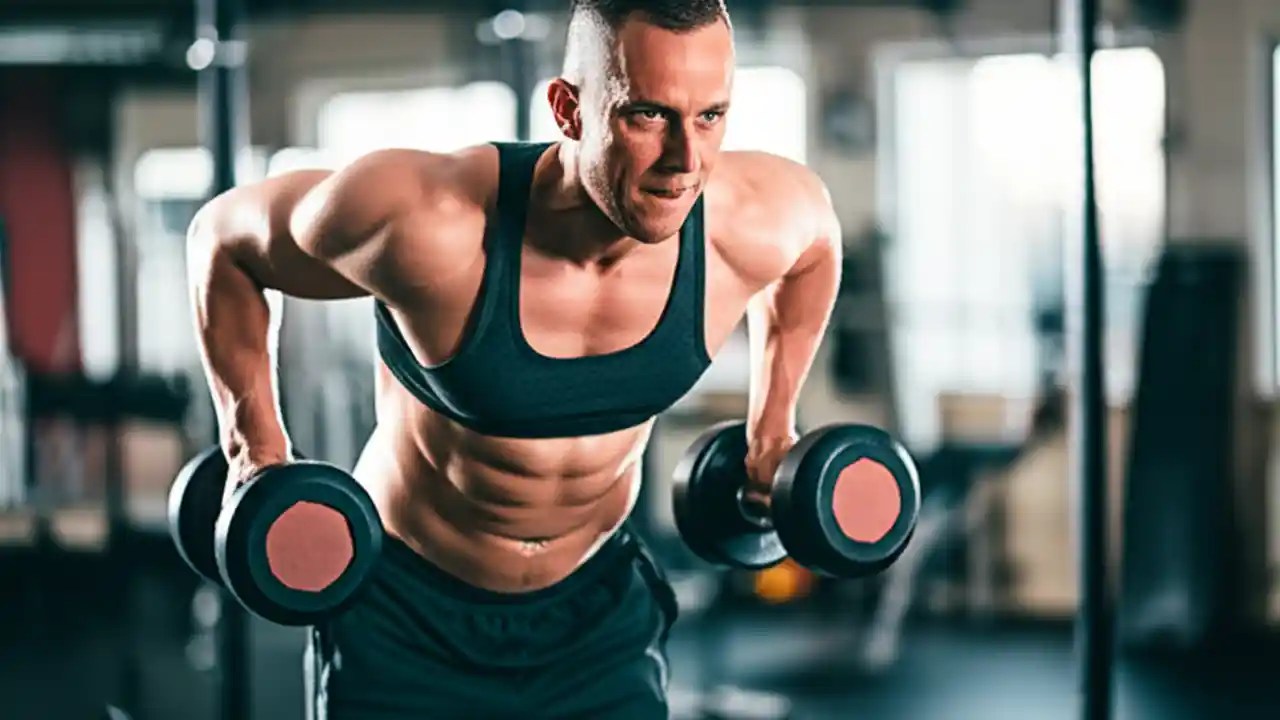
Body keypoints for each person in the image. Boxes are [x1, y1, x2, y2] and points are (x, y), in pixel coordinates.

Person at [185, 0, 842, 717]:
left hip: (595, 617)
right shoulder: (427, 224)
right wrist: (254, 449)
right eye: (647, 115)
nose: (686, 161)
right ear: (568, 109)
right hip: (412, 619)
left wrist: (772, 426)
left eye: (710, 116)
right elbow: (222, 241)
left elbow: (815, 250)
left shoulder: (751, 218)